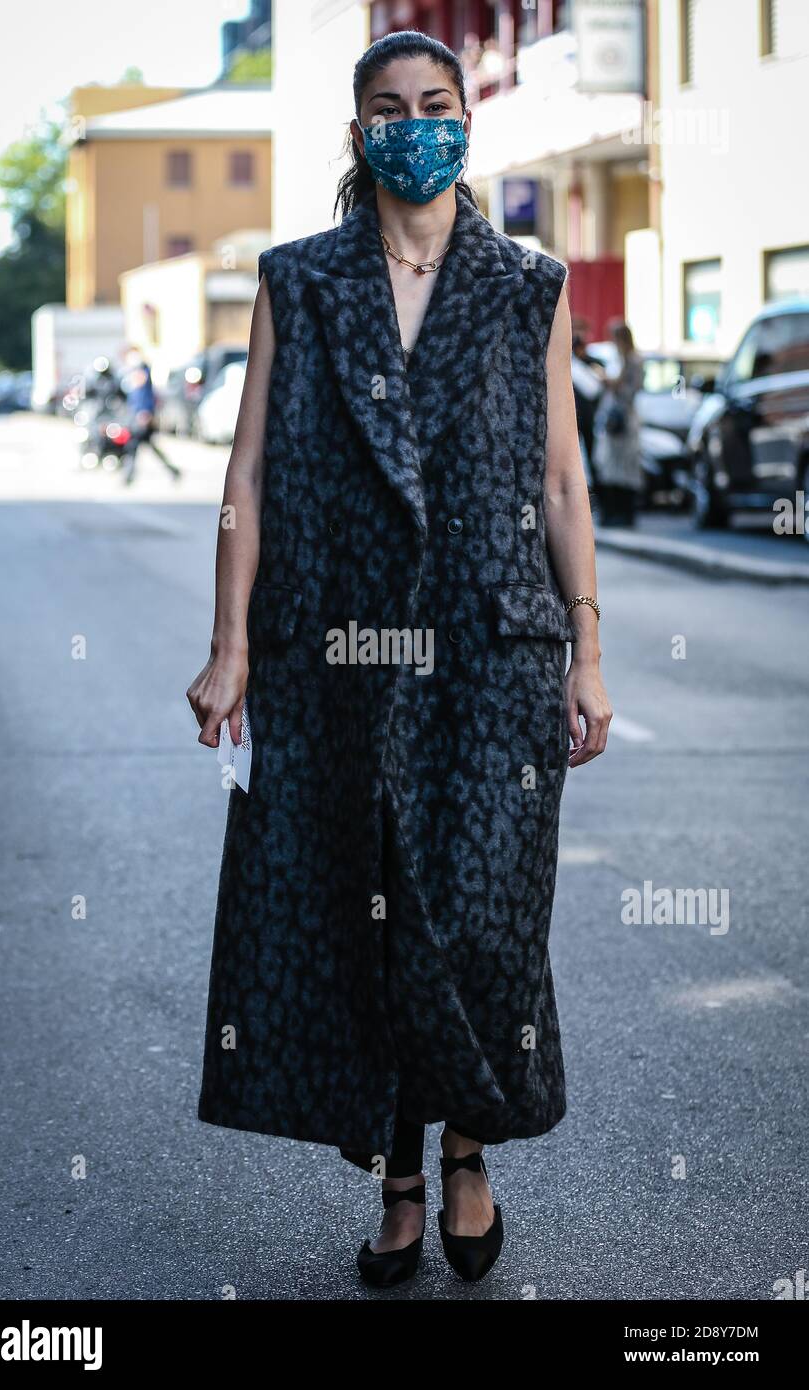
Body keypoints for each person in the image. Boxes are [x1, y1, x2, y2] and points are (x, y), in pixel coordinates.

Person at [187, 30, 612, 1289]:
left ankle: (472, 1152)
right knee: (370, 921)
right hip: (343, 655)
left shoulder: (527, 284)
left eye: (436, 105)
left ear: (466, 125)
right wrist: (229, 648)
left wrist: (590, 653)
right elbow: (249, 471)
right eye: (390, 107)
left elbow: (563, 478)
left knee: (485, 925)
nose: (414, 124)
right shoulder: (301, 281)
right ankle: (403, 1179)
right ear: (358, 127)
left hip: (496, 656)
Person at [591, 320, 643, 526]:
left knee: (625, 467)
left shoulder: (632, 361)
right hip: (613, 418)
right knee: (610, 465)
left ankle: (625, 513)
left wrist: (608, 381)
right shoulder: (618, 359)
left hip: (624, 420)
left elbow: (628, 389)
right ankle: (614, 512)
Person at [119, 346, 180, 484]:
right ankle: (173, 470)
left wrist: (145, 412)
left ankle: (128, 476)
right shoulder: (133, 371)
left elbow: (144, 395)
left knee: (132, 446)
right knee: (149, 448)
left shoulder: (142, 370)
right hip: (136, 415)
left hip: (142, 416)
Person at [570, 325, 604, 503]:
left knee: (590, 454)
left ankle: (594, 491)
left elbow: (594, 390)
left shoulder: (591, 363)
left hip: (587, 417)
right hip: (579, 417)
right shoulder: (574, 364)